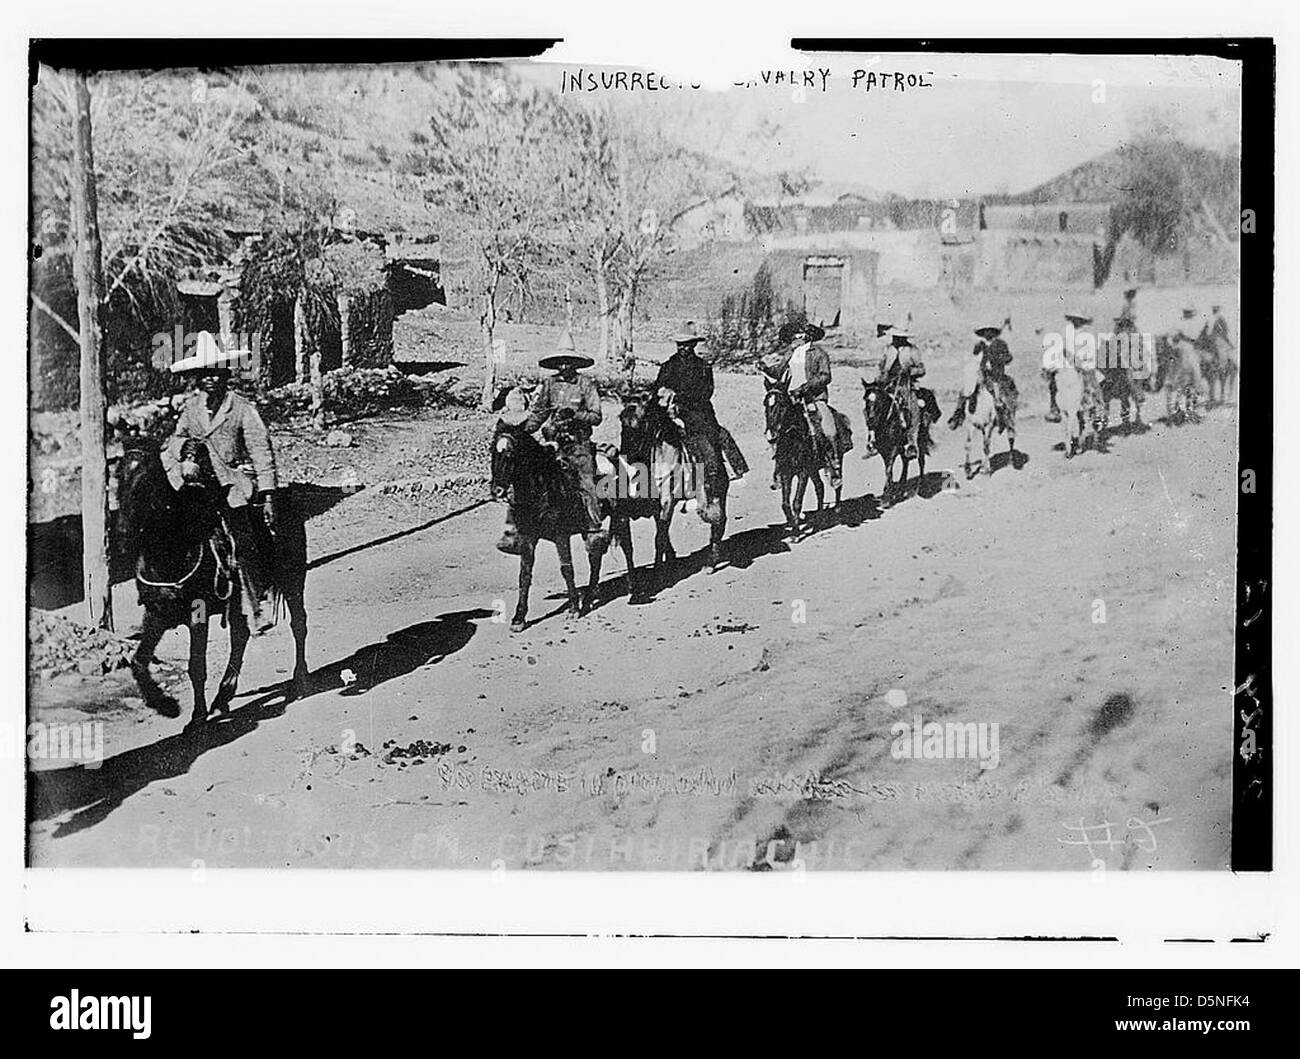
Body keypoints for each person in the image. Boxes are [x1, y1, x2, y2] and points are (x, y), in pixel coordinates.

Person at [164, 331, 277, 633]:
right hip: (200, 483)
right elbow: (175, 438)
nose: (210, 379)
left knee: (240, 538)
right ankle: (165, 596)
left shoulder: (240, 408)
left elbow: (260, 449)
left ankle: (257, 605)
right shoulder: (191, 408)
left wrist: (267, 493)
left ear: (225, 374)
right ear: (196, 378)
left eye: (216, 373)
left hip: (233, 484)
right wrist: (184, 449)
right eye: (204, 374)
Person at [521, 330, 606, 542]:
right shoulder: (550, 384)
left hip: (578, 444)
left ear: (575, 364)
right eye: (559, 362)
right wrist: (525, 429)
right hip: (552, 442)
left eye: (567, 362)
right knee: (525, 474)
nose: (563, 366)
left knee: (586, 479)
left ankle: (593, 526)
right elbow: (540, 412)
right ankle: (518, 526)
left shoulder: (585, 384)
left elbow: (596, 416)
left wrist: (576, 415)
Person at [653, 322, 731, 511]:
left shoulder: (703, 367)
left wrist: (679, 398)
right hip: (669, 416)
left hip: (698, 415)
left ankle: (710, 491)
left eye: (687, 344)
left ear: (694, 345)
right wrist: (662, 395)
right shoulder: (668, 366)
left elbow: (706, 393)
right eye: (680, 344)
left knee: (708, 450)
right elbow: (657, 388)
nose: (683, 348)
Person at [761, 321, 842, 488]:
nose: (794, 338)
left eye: (798, 335)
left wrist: (806, 387)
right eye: (794, 336)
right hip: (792, 399)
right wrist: (766, 369)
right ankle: (779, 469)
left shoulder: (819, 354)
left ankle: (833, 464)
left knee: (829, 429)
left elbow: (825, 376)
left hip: (814, 398)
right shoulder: (791, 354)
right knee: (777, 426)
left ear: (806, 337)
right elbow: (779, 371)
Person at [873, 329, 927, 458]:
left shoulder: (912, 350)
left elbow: (921, 368)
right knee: (874, 406)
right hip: (889, 385)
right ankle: (873, 440)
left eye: (898, 337)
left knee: (913, 409)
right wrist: (880, 377)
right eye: (895, 337)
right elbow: (881, 366)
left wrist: (909, 371)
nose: (895, 340)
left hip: (906, 385)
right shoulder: (888, 349)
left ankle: (912, 442)